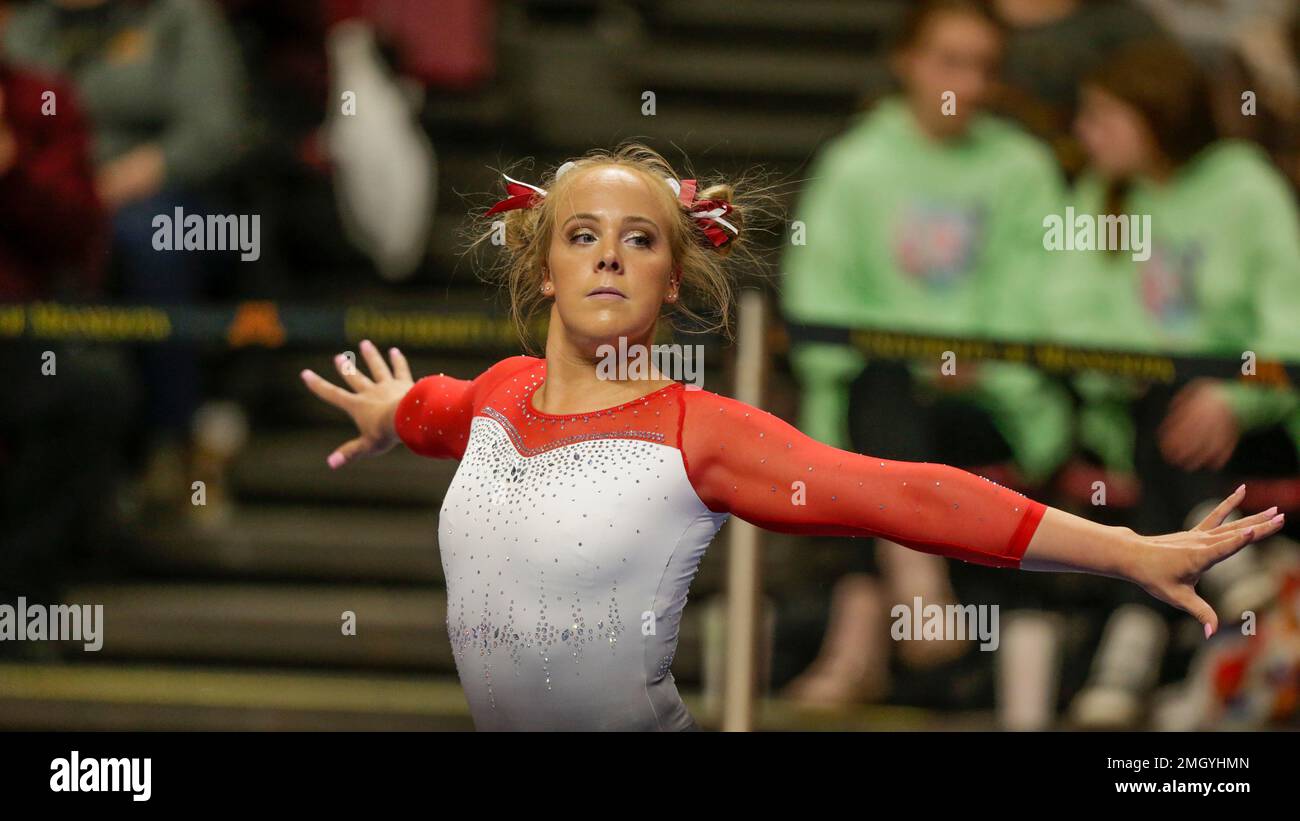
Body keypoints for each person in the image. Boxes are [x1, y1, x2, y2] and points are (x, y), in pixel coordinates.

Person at [296, 143, 1280, 731]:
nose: (608, 255)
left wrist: (1124, 548)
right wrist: (390, 414)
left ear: (671, 279)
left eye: (638, 238)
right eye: (582, 233)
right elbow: (436, 412)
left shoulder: (696, 433)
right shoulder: (499, 395)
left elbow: (910, 494)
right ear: (545, 266)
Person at [779, 0, 1074, 705]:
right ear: (906, 61)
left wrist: (980, 360)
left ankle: (860, 644)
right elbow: (819, 297)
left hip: (993, 399)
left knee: (885, 437)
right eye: (950, 62)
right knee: (881, 393)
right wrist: (921, 357)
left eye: (982, 67)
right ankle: (916, 592)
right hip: (877, 395)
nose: (966, 84)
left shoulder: (1023, 166)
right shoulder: (855, 164)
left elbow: (1046, 290)